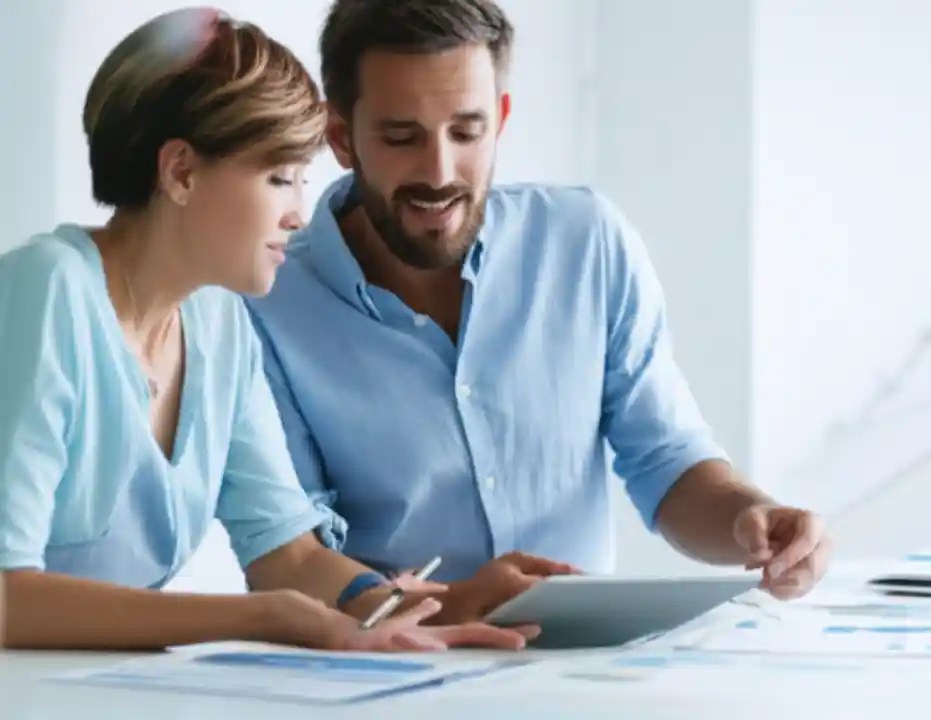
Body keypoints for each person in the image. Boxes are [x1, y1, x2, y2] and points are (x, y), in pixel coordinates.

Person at [247, 0, 833, 623]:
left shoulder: (586, 242)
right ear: (341, 137)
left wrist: (752, 519)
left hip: (582, 672)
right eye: (401, 138)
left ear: (499, 119)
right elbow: (289, 556)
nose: (439, 172)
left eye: (466, 132)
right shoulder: (268, 301)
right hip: (388, 671)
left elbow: (666, 460)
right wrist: (456, 608)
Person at [0, 7, 534, 652]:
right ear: (181, 172)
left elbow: (290, 554)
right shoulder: (46, 291)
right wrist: (261, 617)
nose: (298, 214)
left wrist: (397, 607)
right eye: (280, 177)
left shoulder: (219, 322)